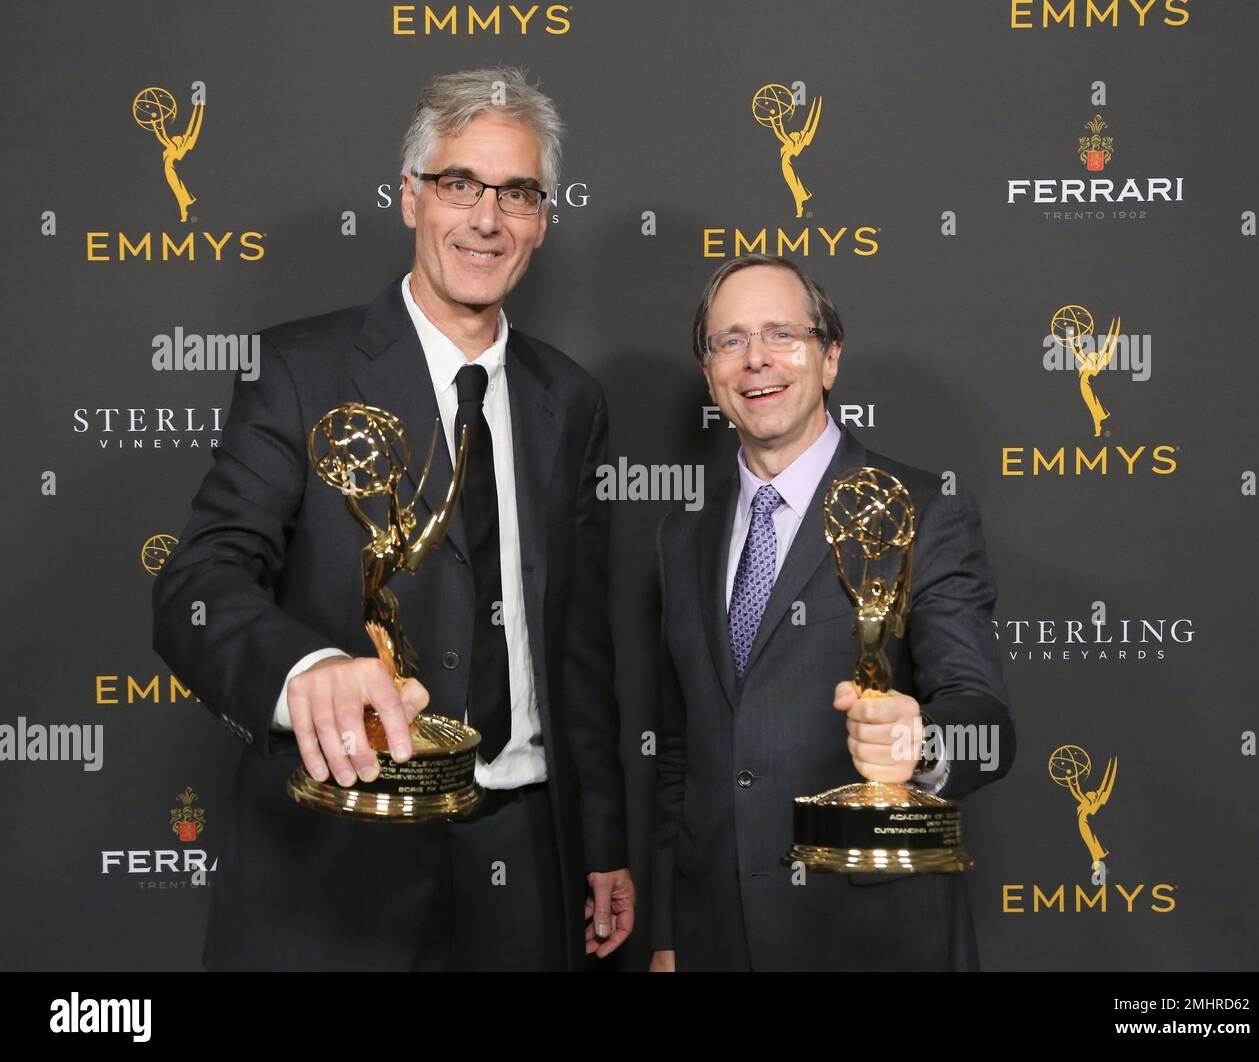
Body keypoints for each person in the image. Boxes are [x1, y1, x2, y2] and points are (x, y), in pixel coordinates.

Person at [153, 66, 633, 971]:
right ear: (412, 197)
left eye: (518, 193)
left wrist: (601, 839)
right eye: (460, 184)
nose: (487, 219)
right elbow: (198, 587)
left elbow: (577, 648)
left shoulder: (569, 399)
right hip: (339, 858)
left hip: (525, 859)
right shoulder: (299, 371)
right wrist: (307, 667)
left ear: (541, 218)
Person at [649, 255, 1014, 971]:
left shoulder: (923, 509)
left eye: (783, 334)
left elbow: (988, 724)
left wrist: (924, 741)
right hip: (715, 936)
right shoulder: (682, 533)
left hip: (870, 932)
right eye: (730, 340)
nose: (757, 359)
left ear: (830, 358)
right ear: (709, 371)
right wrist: (668, 934)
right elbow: (679, 756)